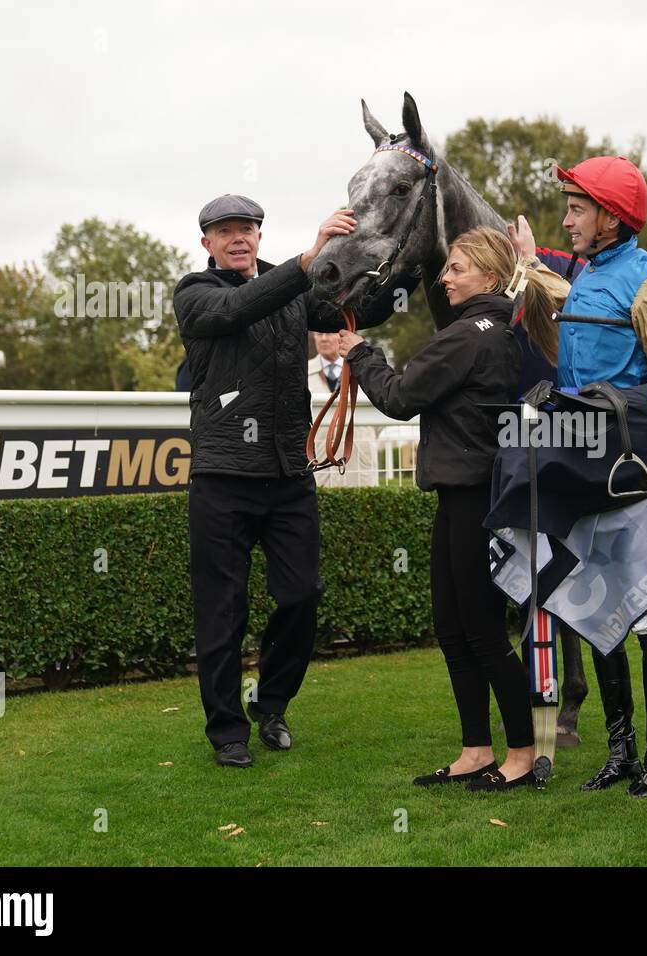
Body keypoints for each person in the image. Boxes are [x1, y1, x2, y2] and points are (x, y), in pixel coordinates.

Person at [337, 226, 565, 791]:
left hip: (472, 496)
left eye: (456, 267)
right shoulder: (495, 328)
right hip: (465, 492)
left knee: (480, 632)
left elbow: (398, 397)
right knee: (454, 627)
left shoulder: (468, 335)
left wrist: (359, 352)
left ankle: (520, 757)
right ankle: (475, 749)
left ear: (488, 275)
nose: (444, 276)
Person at [514, 155, 647, 798]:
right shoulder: (591, 271)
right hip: (584, 463)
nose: (565, 220)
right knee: (596, 608)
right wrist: (529, 265)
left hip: (634, 466)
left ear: (610, 217)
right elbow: (574, 302)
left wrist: (614, 411)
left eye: (575, 209)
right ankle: (619, 749)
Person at [174, 194, 358, 768]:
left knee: (302, 595)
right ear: (206, 243)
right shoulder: (195, 293)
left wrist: (378, 248)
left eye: (248, 229)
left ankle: (271, 704)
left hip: (288, 473)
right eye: (225, 230)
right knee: (222, 610)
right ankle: (227, 730)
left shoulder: (293, 287)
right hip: (223, 477)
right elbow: (240, 310)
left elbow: (357, 307)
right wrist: (306, 261)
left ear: (259, 235)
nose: (238, 238)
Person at [306, 331, 378, 487]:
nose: (324, 338)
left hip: (358, 468)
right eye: (319, 333)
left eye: (330, 333)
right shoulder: (303, 372)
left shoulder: (365, 369)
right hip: (320, 470)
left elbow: (379, 417)